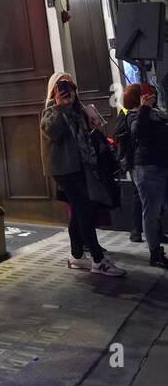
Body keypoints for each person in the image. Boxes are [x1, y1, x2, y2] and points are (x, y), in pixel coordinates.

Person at [40, 73, 125, 277]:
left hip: (82, 167)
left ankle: (77, 256)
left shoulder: (78, 111)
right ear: (54, 90)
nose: (67, 90)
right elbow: (52, 132)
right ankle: (97, 259)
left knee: (80, 211)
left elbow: (87, 137)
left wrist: (93, 123)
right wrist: (61, 106)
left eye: (69, 85)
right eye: (61, 86)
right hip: (64, 170)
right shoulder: (50, 111)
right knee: (84, 209)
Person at [127, 82, 168, 267]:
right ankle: (155, 254)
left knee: (157, 211)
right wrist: (144, 108)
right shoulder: (134, 115)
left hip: (161, 166)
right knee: (150, 212)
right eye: (147, 94)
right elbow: (138, 131)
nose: (151, 96)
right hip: (146, 169)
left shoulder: (156, 114)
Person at [114, 84, 144, 243]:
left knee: (139, 196)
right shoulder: (135, 116)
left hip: (131, 162)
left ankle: (137, 230)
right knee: (141, 197)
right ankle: (137, 230)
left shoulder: (124, 114)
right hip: (137, 162)